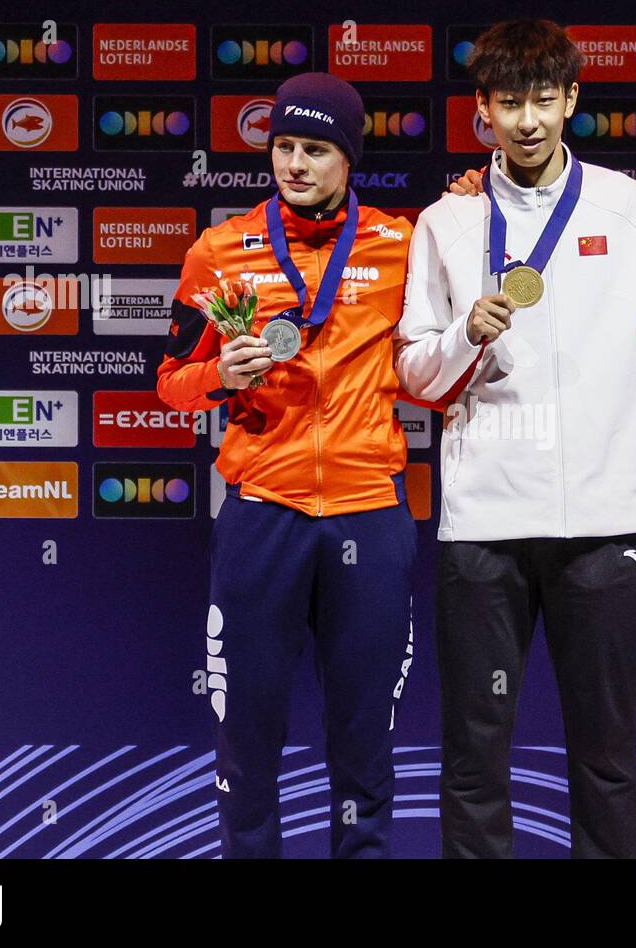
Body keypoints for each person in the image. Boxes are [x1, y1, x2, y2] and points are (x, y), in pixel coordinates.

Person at [394, 18, 636, 858]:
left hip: (604, 523)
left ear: (572, 100)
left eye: (544, 100)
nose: (528, 121)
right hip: (485, 527)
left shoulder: (629, 208)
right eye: (509, 103)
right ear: (481, 110)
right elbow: (414, 372)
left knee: (607, 756)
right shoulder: (443, 225)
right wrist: (465, 335)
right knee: (475, 755)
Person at [156, 72, 417, 859]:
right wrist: (220, 377)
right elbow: (171, 385)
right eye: (283, 148)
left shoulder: (401, 246)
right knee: (247, 745)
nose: (295, 165)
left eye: (315, 149)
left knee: (365, 744)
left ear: (350, 158)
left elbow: (436, 357)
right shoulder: (220, 251)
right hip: (262, 513)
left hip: (369, 513)